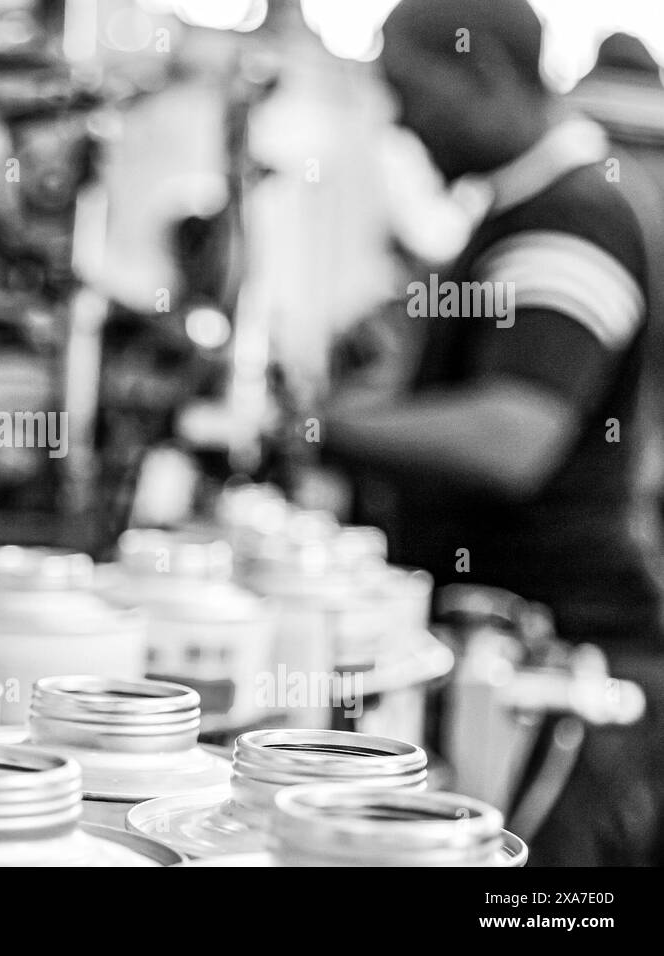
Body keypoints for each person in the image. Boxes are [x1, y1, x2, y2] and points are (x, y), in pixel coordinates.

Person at [324, 0, 664, 865]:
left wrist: (320, 427)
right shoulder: (528, 207)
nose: (400, 118)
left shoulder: (573, 213)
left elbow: (511, 436)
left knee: (537, 910)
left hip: (564, 659)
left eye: (410, 89)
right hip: (519, 650)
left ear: (485, 72)